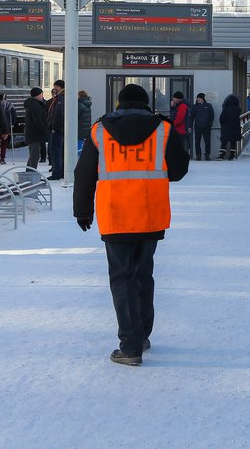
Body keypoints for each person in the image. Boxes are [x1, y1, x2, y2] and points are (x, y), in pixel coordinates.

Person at [73, 83, 189, 366]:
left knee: (121, 278)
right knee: (143, 275)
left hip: (115, 217)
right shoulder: (163, 129)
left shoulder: (99, 131)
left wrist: (82, 212)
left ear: (119, 103)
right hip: (150, 214)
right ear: (146, 103)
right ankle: (142, 335)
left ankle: (130, 345)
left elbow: (84, 174)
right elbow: (178, 170)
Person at [23, 87, 49, 171]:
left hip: (32, 134)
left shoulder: (32, 104)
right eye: (41, 94)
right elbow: (38, 121)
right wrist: (45, 131)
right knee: (35, 155)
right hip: (35, 134)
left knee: (33, 155)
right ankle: (31, 173)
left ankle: (29, 172)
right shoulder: (35, 106)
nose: (42, 96)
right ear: (37, 95)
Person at [47, 80, 66, 180]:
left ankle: (56, 173)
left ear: (60, 87)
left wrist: (53, 127)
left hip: (57, 130)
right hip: (61, 129)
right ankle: (61, 172)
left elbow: (58, 114)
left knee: (56, 151)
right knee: (61, 152)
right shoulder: (64, 97)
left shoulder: (60, 99)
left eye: (56, 86)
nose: (54, 89)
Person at [189, 93, 214, 161]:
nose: (198, 100)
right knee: (197, 142)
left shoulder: (208, 106)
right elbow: (191, 117)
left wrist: (210, 124)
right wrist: (190, 126)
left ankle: (207, 155)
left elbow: (212, 116)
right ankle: (198, 155)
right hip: (197, 127)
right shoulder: (194, 107)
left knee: (207, 142)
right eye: (197, 99)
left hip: (206, 127)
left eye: (199, 98)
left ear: (203, 98)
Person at [218, 94, 242, 160]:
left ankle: (221, 155)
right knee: (233, 142)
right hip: (235, 128)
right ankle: (231, 156)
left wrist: (222, 125)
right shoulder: (238, 110)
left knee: (224, 142)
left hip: (226, 128)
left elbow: (221, 119)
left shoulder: (226, 109)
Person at [0, 92, 17, 165]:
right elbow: (14, 115)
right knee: (4, 143)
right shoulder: (10, 105)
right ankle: (2, 158)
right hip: (7, 126)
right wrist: (13, 124)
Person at [170, 91, 190, 158]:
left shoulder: (182, 106)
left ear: (177, 99)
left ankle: (180, 160)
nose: (172, 99)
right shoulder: (179, 106)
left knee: (179, 147)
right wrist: (173, 107)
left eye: (174, 98)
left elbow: (179, 119)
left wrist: (172, 124)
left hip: (180, 130)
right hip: (178, 130)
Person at [77, 89, 93, 154]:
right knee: (82, 147)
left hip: (79, 129)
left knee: (78, 147)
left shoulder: (79, 105)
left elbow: (75, 117)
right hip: (86, 129)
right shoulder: (87, 105)